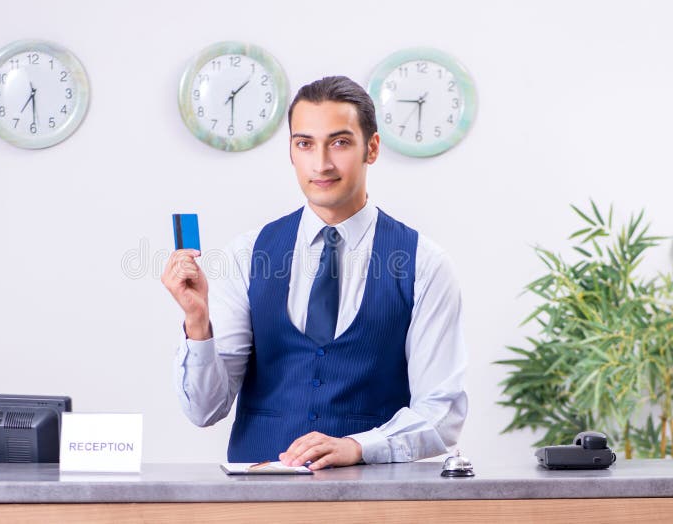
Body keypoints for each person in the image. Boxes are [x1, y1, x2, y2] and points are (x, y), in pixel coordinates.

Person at [162, 76, 467, 470]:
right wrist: (197, 322)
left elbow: (442, 413)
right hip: (258, 501)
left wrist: (359, 446)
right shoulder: (247, 255)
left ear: (371, 148)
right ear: (292, 152)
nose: (321, 163)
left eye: (339, 143)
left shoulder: (425, 263)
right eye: (305, 144)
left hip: (375, 502)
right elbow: (204, 410)